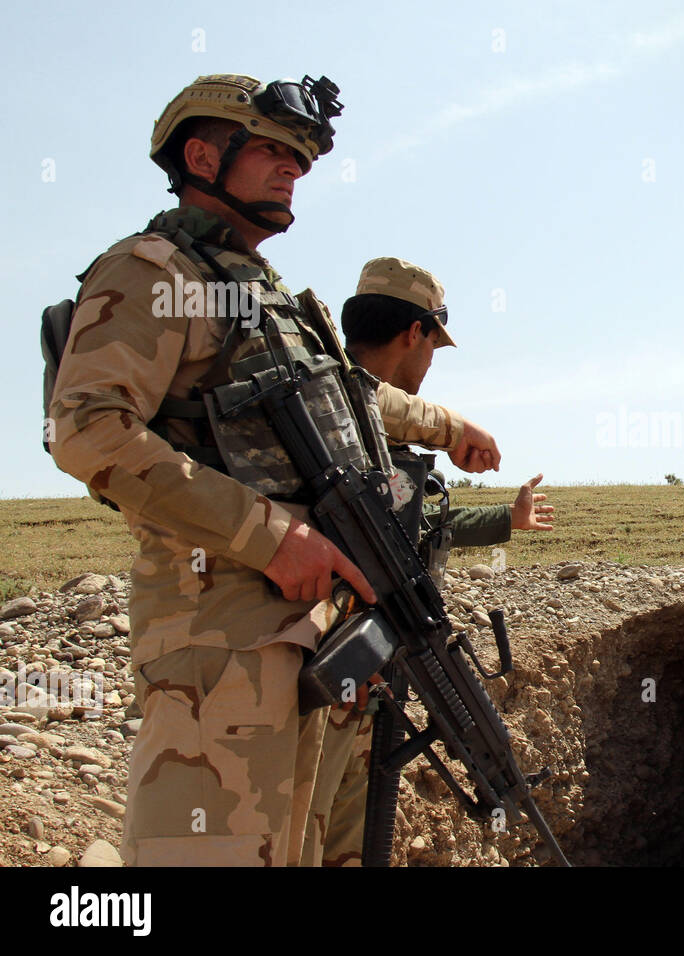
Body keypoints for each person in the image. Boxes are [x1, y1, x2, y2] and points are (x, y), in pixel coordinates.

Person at [45, 74, 501, 866]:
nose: (292, 170)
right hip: (218, 627)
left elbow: (351, 397)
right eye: (269, 151)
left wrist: (449, 425)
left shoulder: (262, 295)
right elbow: (85, 430)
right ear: (200, 155)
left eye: (299, 158)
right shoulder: (153, 271)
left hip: (308, 629)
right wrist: (268, 536)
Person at [301, 256, 553, 866]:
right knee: (311, 826)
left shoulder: (366, 425)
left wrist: (505, 520)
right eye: (434, 345)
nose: (432, 362)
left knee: (348, 827)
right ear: (416, 332)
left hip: (366, 662)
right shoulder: (331, 416)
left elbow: (415, 531)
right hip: (329, 664)